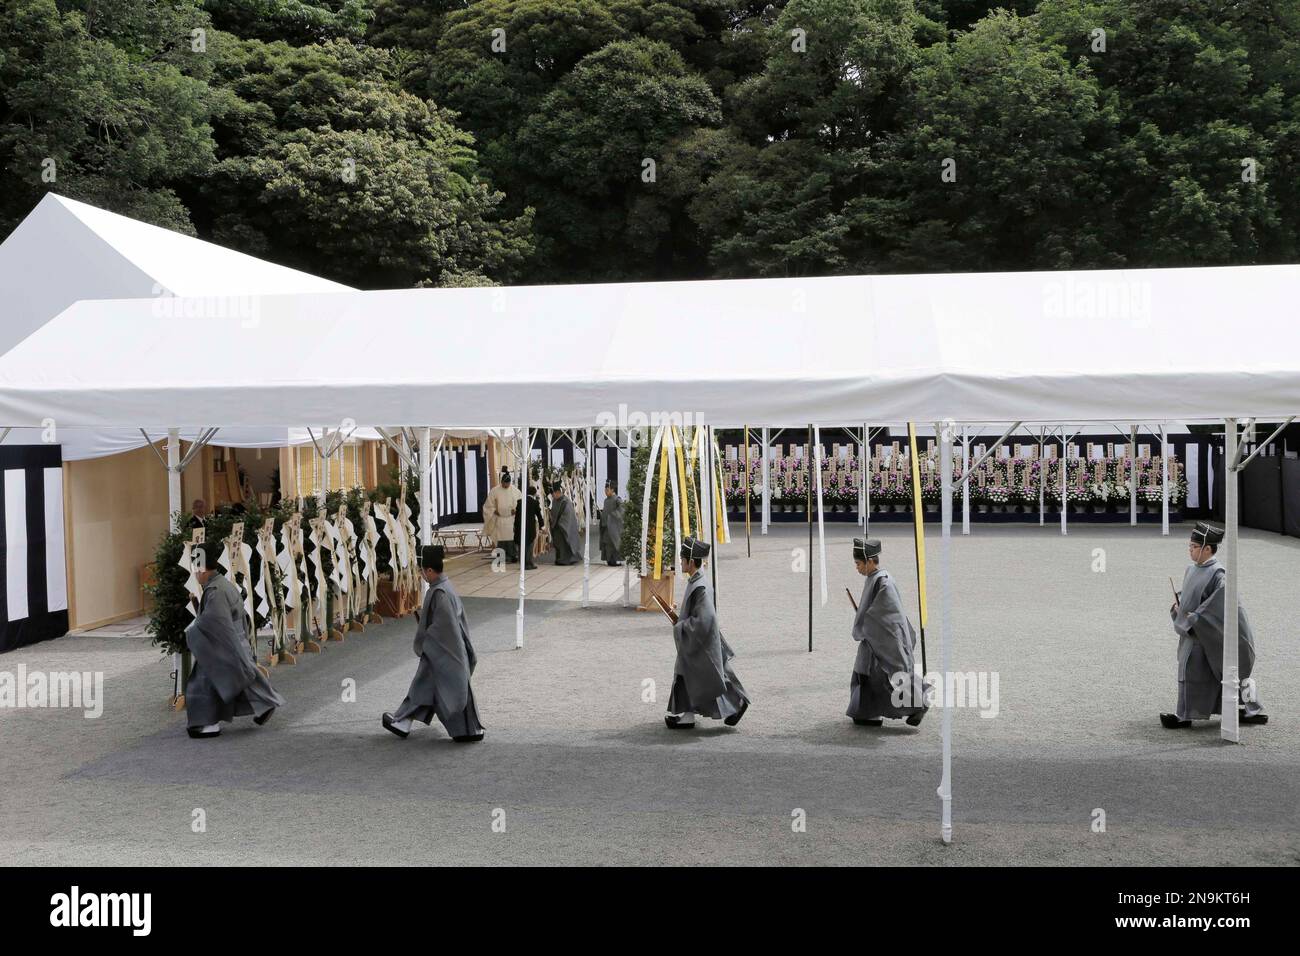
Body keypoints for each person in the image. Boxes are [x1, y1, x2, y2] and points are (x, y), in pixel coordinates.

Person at [1162, 522, 1268, 728]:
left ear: (1207, 548)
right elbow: (1191, 595)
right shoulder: (1191, 569)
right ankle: (1189, 712)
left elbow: (1221, 603)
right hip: (1194, 631)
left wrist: (1195, 618)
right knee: (1197, 670)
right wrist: (1179, 605)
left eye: (1194, 546)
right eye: (1189, 546)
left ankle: (1186, 715)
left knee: (1200, 670)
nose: (1190, 550)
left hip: (1207, 633)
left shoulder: (1219, 574)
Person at [383, 545, 485, 743]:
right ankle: (468, 730)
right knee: (435, 688)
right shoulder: (446, 588)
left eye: (422, 570)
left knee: (430, 684)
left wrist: (427, 637)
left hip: (443, 651)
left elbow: (445, 631)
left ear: (430, 570)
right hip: (449, 652)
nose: (421, 574)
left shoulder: (440, 593)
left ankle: (403, 721)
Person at [184, 540, 284, 739]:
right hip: (232, 639)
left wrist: (192, 630)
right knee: (242, 678)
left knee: (205, 683)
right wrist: (197, 603)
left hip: (223, 642)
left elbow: (214, 622)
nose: (196, 575)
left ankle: (207, 725)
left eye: (196, 571)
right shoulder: (222, 584)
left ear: (202, 569)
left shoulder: (216, 591)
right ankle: (264, 705)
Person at [665, 536, 750, 730]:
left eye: (682, 559)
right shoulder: (697, 580)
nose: (680, 562)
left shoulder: (700, 586)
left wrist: (681, 627)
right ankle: (687, 717)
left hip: (702, 641)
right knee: (693, 676)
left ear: (691, 562)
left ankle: (737, 705)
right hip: (701, 640)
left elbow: (705, 619)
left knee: (711, 679)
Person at [847, 537, 929, 728]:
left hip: (885, 637)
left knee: (890, 673)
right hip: (873, 634)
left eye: (858, 563)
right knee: (867, 672)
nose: (857, 568)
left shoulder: (884, 582)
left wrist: (867, 622)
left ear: (869, 561)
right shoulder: (873, 579)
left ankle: (919, 704)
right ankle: (868, 713)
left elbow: (889, 617)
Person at [482, 469, 521, 562]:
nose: (506, 485)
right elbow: (487, 506)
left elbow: (521, 504)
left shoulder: (515, 491)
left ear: (510, 482)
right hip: (499, 519)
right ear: (501, 482)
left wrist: (516, 510)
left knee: (511, 539)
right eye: (504, 483)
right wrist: (494, 511)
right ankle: (500, 556)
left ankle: (513, 556)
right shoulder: (494, 491)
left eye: (507, 483)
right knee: (500, 539)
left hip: (511, 519)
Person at [548, 484, 581, 566]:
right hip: (556, 526)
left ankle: (566, 559)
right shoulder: (555, 501)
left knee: (564, 544)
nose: (553, 495)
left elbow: (568, 514)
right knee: (558, 544)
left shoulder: (566, 502)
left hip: (563, 526)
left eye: (554, 493)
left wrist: (561, 523)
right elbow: (553, 512)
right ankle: (559, 559)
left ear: (558, 492)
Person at [598, 479, 624, 566]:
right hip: (606, 527)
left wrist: (613, 516)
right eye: (605, 490)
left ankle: (616, 560)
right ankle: (609, 559)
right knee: (607, 544)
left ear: (612, 490)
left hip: (614, 527)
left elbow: (621, 509)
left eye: (607, 490)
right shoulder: (606, 500)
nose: (605, 492)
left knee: (614, 543)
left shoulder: (617, 499)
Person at [513, 493, 539, 570]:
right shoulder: (534, 502)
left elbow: (517, 516)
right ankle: (529, 563)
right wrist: (542, 525)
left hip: (520, 527)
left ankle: (522, 564)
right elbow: (539, 515)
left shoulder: (520, 502)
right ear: (534, 494)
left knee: (521, 546)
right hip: (530, 528)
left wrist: (515, 526)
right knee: (530, 546)